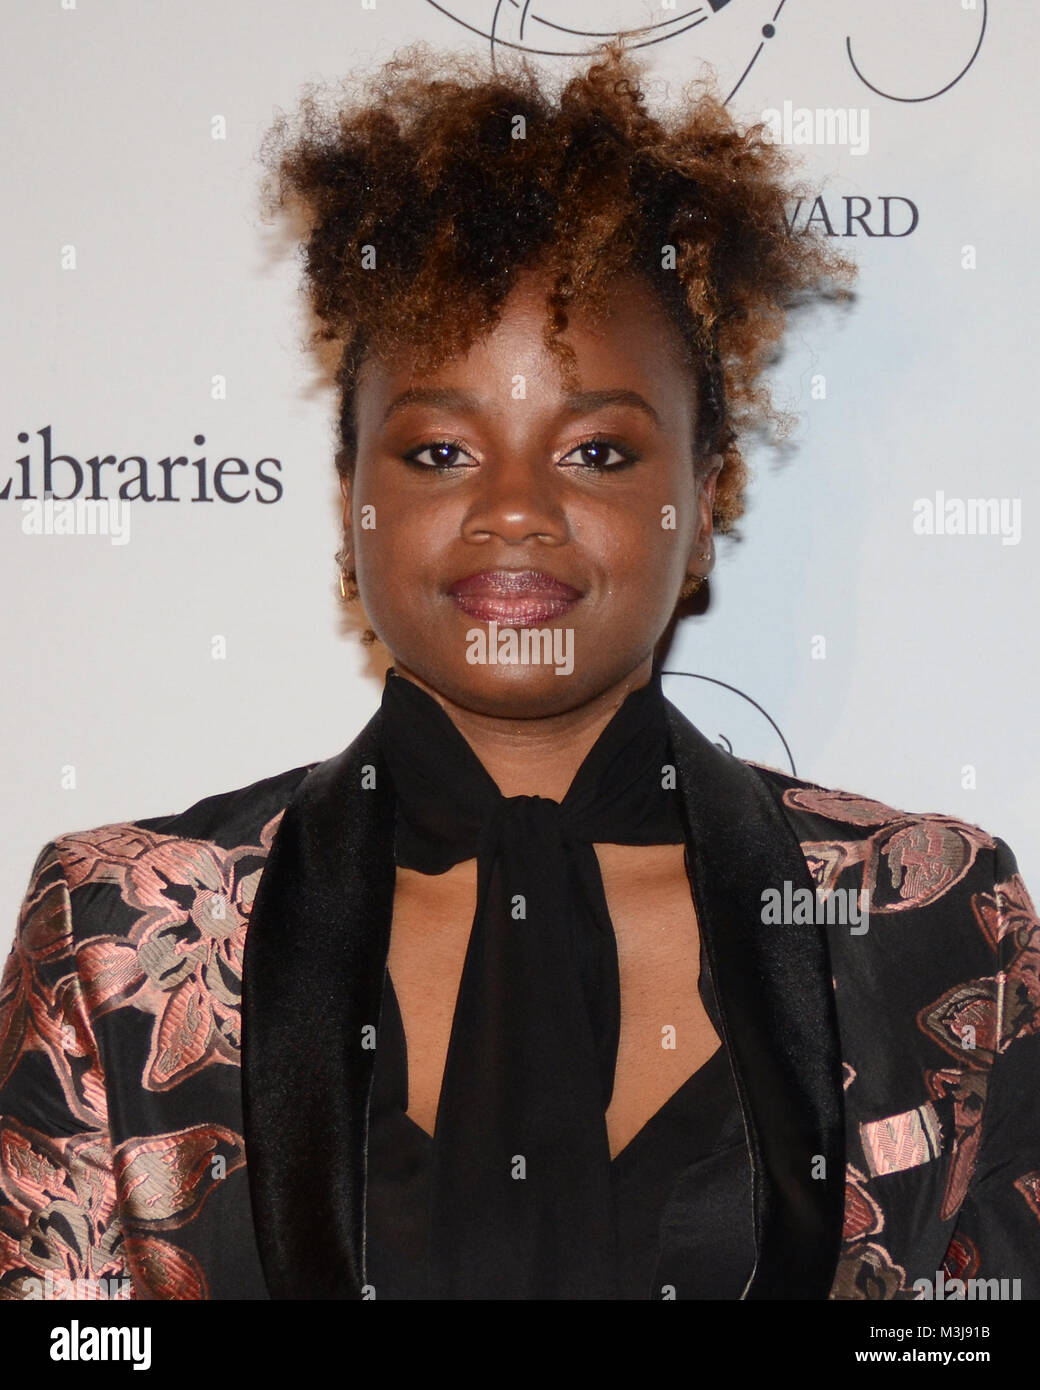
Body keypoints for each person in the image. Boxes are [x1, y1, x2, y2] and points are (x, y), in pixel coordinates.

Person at [1, 38, 1037, 1303]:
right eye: (440, 452)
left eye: (596, 452)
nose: (512, 510)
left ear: (702, 504)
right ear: (350, 501)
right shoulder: (115, 935)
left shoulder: (927, 917)